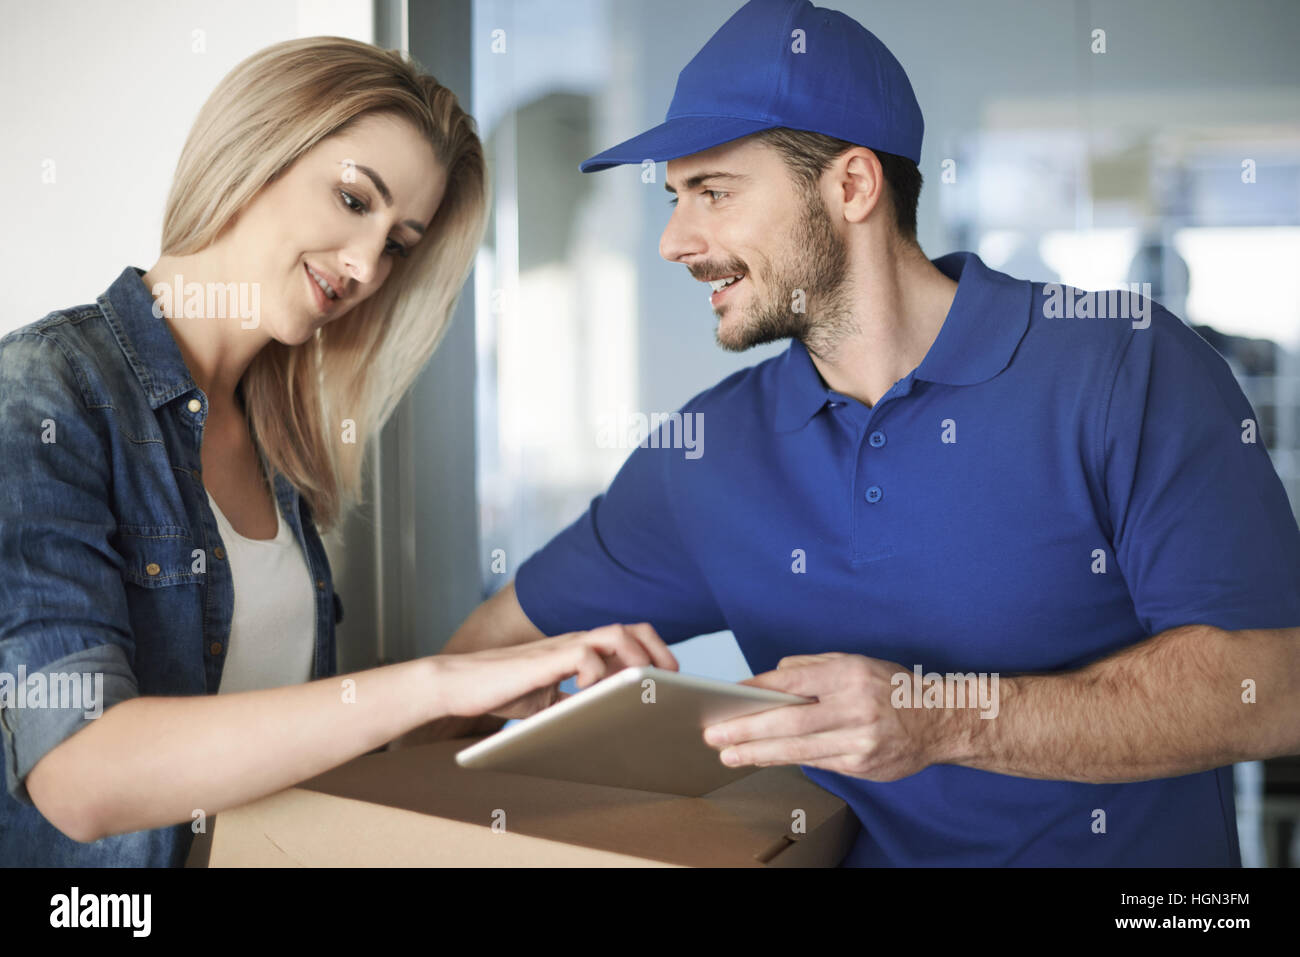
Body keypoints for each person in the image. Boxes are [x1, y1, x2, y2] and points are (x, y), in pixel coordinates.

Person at [437, 0, 1300, 866]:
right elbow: (480, 657)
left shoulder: (1124, 367)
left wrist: (939, 717)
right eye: (673, 196)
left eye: (712, 193)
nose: (672, 239)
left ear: (851, 186)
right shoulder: (705, 454)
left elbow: (1272, 688)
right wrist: (561, 706)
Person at [0, 36, 675, 867]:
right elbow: (79, 772)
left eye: (398, 242)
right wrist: (435, 682)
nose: (364, 266)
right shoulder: (45, 393)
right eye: (356, 200)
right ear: (258, 147)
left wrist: (501, 694)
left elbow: (280, 744)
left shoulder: (281, 448)